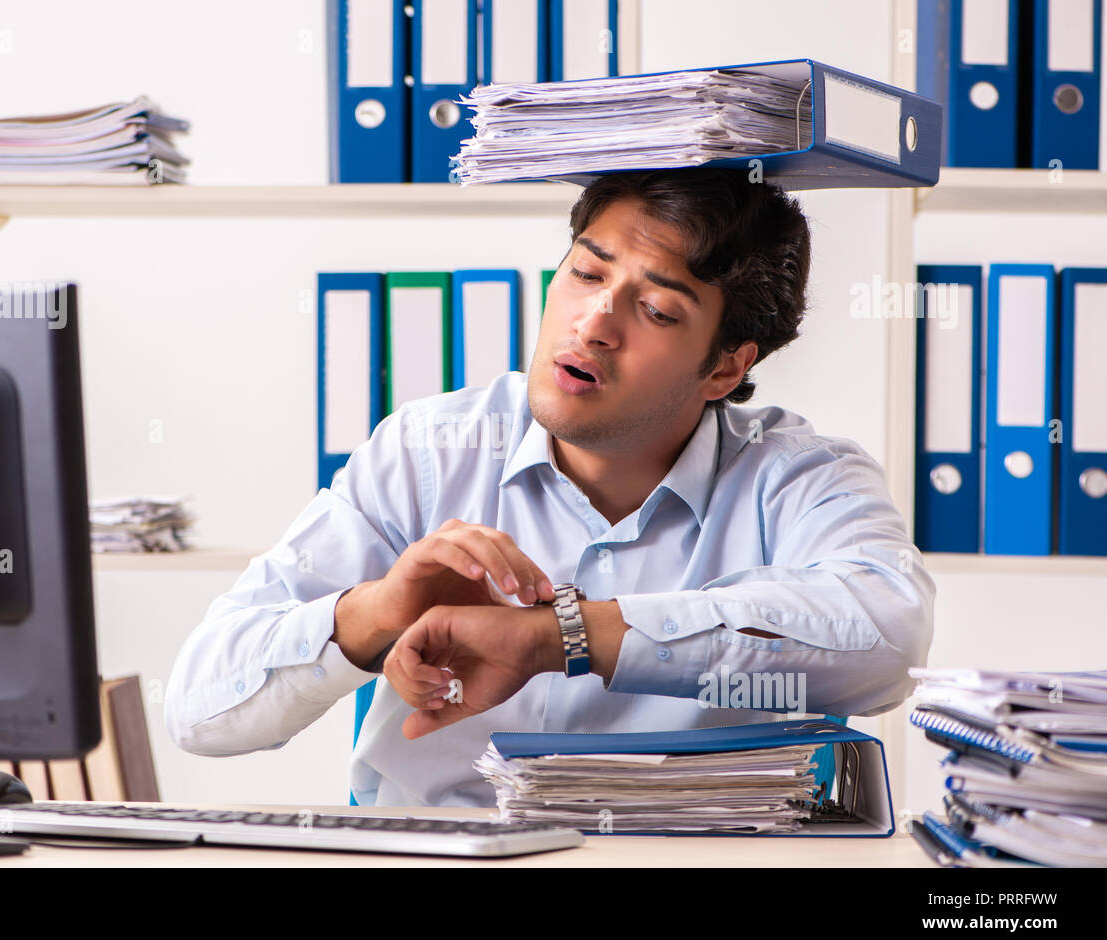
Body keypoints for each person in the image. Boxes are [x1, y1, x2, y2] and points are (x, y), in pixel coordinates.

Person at [164, 168, 935, 807]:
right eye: (587, 272)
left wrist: (557, 637)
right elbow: (199, 706)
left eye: (657, 308)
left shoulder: (799, 474)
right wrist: (374, 615)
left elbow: (887, 638)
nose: (595, 322)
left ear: (726, 367)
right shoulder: (430, 449)